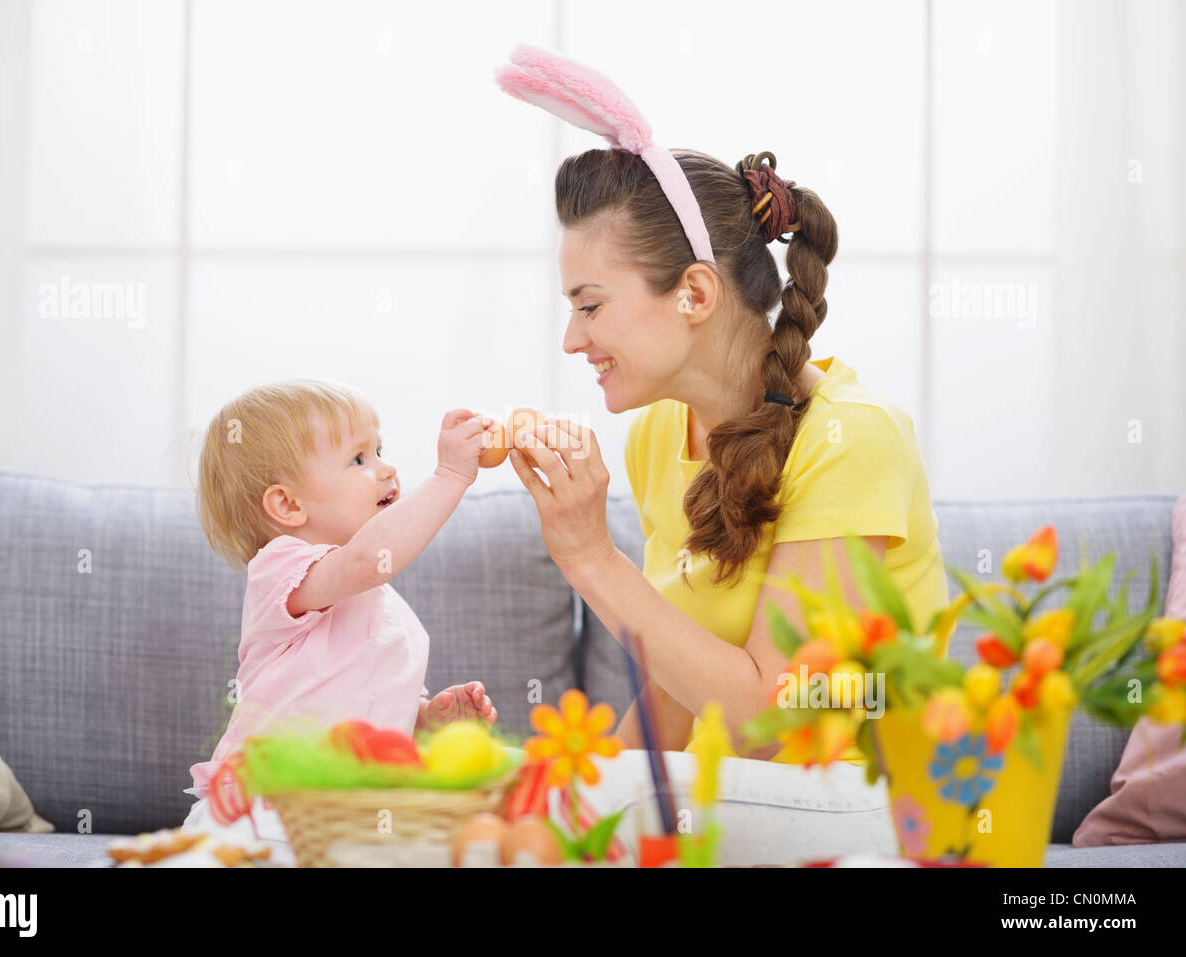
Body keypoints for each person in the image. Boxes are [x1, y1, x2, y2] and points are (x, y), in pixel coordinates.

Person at [506, 145, 949, 761]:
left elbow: (776, 719)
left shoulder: (853, 437)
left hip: (861, 808)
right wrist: (583, 806)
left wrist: (588, 556)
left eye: (590, 305)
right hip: (727, 804)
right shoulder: (659, 432)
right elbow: (678, 688)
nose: (572, 339)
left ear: (694, 292)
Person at [183, 380, 498, 833]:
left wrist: (427, 720)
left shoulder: (380, 604)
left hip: (344, 816)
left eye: (379, 450)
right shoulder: (281, 569)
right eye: (358, 459)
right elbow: (368, 559)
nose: (387, 469)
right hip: (262, 804)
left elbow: (374, 712)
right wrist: (449, 477)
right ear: (288, 505)